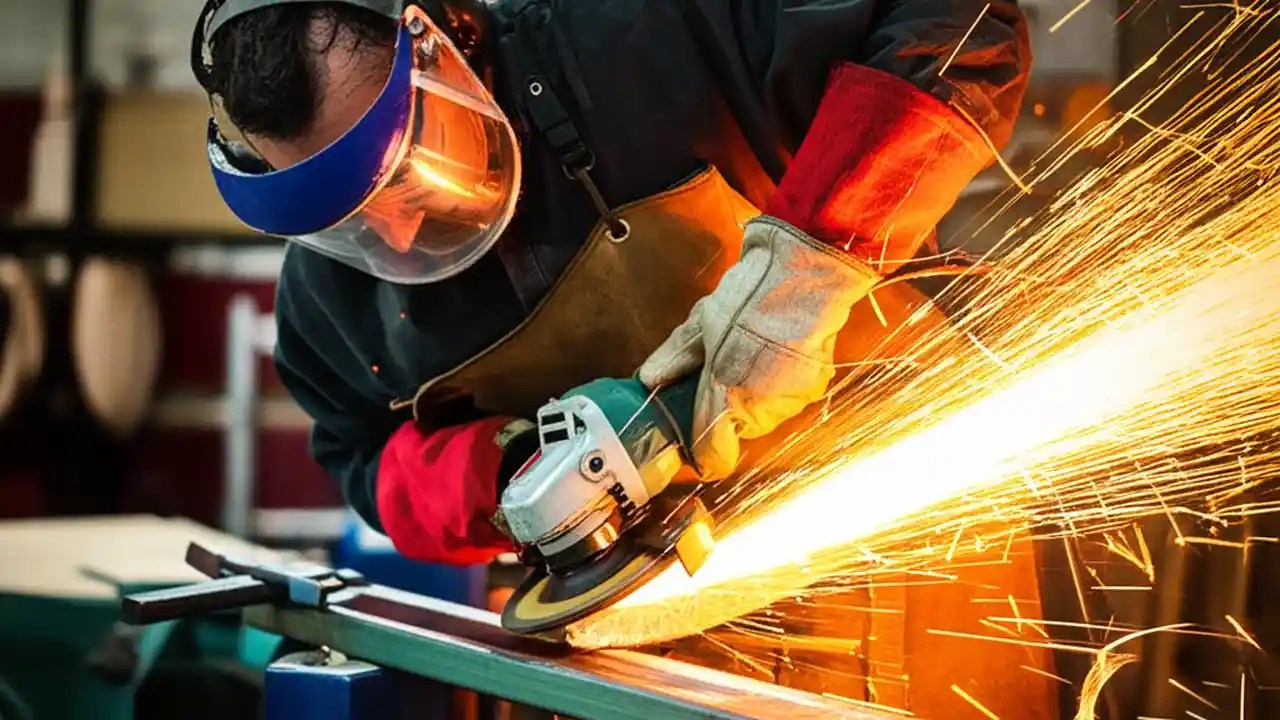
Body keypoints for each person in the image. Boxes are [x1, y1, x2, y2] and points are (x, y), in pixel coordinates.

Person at [193, 0, 1054, 715]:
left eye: (399, 172)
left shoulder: (658, 30)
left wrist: (812, 264)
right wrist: (512, 474)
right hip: (625, 655)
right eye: (344, 220)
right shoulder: (329, 300)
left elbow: (956, 25)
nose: (396, 229)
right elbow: (362, 458)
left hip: (911, 579)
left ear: (448, 35)